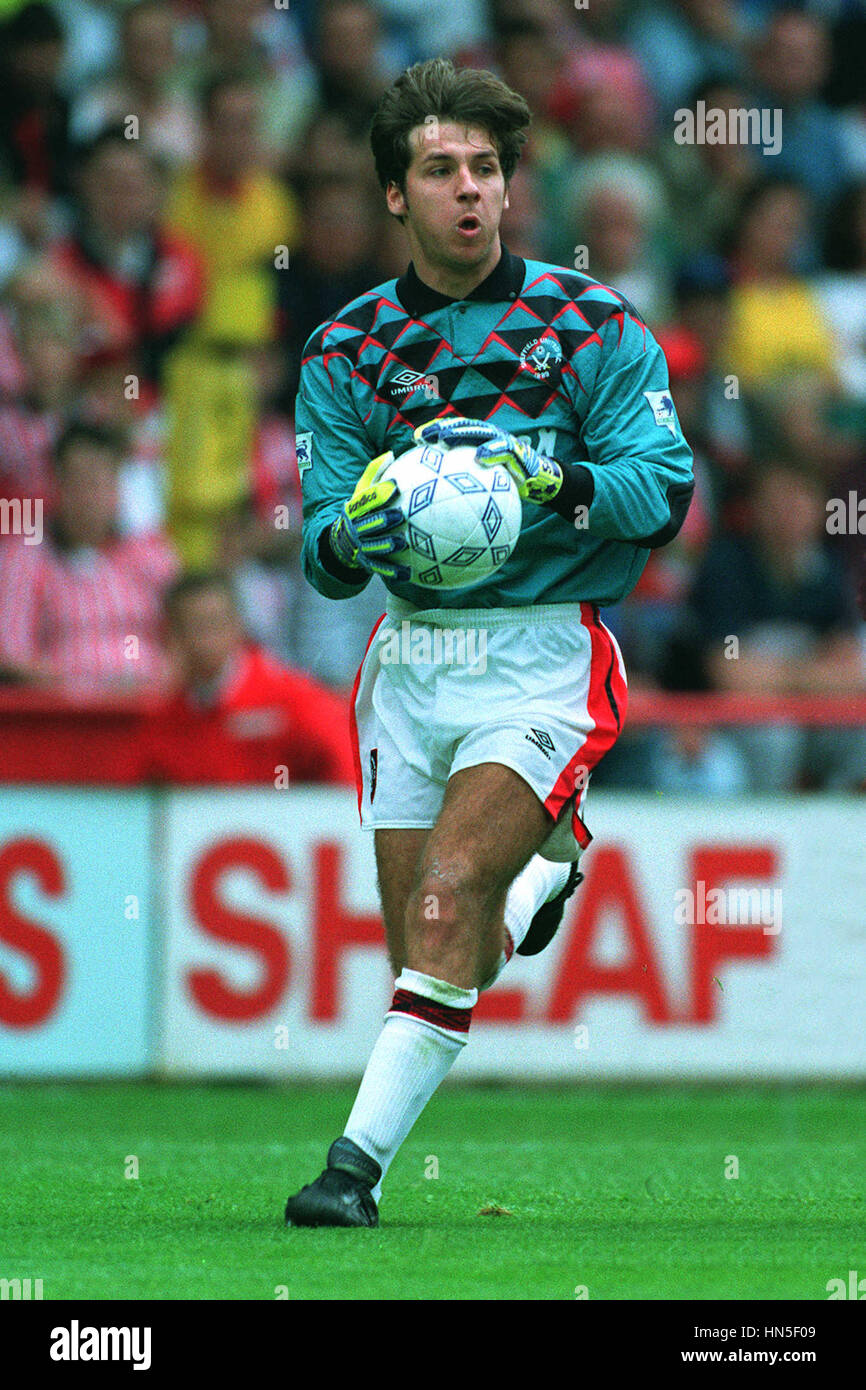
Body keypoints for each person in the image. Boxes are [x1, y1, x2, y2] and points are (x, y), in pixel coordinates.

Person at [284, 58, 694, 1227]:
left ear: (510, 187)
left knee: (447, 897)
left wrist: (553, 483)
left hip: (542, 653)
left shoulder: (592, 324)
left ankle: (346, 1174)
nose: (468, 188)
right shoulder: (342, 353)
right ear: (395, 199)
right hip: (408, 660)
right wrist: (353, 531)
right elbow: (315, 545)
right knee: (436, 940)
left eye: (485, 168)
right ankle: (549, 869)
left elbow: (660, 491)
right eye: (439, 170)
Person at [138, 570, 356, 785]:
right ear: (170, 634)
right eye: (192, 627)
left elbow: (345, 762)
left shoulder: (288, 696)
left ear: (238, 625)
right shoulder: (165, 715)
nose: (204, 639)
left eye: (214, 624)